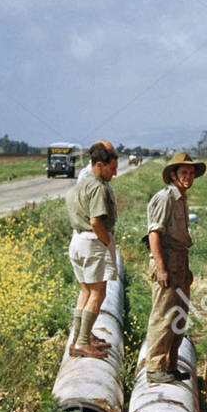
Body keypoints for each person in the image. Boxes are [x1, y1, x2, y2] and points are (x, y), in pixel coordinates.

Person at [143, 150, 204, 383]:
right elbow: (154, 234)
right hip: (167, 260)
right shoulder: (165, 197)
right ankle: (155, 367)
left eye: (191, 173)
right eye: (184, 172)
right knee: (163, 315)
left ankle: (170, 364)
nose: (188, 176)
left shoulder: (181, 198)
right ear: (173, 175)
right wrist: (161, 268)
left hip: (180, 260)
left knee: (179, 316)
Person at [65, 140, 120, 359]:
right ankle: (82, 343)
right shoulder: (97, 187)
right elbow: (97, 221)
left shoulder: (81, 183)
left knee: (86, 291)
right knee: (98, 292)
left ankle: (81, 337)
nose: (114, 174)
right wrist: (107, 242)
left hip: (77, 240)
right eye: (112, 169)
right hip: (92, 242)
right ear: (99, 164)